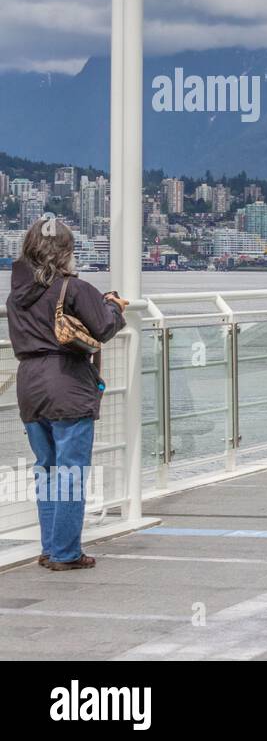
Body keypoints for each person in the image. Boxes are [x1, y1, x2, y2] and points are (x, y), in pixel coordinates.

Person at [6, 219, 126, 570]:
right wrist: (114, 306)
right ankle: (65, 552)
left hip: (29, 383)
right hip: (67, 383)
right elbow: (103, 328)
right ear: (65, 253)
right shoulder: (72, 288)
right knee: (71, 470)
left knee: (46, 468)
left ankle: (50, 547)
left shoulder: (16, 295)